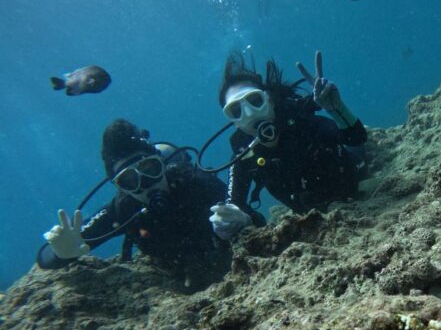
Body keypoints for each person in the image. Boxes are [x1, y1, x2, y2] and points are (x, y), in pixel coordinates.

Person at [38, 119, 230, 289]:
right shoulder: (124, 209)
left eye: (150, 169)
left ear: (162, 164)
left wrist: (240, 220)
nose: (147, 183)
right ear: (121, 187)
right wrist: (60, 253)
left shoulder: (196, 182)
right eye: (130, 180)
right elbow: (45, 256)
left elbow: (245, 214)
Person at [208, 51, 368, 240]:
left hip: (353, 183)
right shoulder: (244, 154)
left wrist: (337, 110)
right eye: (236, 110)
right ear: (234, 122)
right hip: (311, 217)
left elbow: (356, 138)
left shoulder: (300, 119)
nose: (250, 113)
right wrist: (240, 219)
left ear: (268, 99)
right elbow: (236, 205)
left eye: (254, 100)